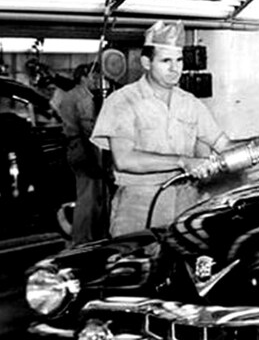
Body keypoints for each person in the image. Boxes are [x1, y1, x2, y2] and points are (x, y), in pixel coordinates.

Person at [91, 20, 232, 236]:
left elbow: (223, 144)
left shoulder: (190, 102)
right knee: (138, 255)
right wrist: (182, 161)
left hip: (186, 200)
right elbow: (124, 159)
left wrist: (258, 144)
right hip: (140, 203)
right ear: (146, 62)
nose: (175, 68)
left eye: (179, 60)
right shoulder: (122, 101)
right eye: (166, 61)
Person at [57, 62, 108, 244]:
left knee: (85, 194)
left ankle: (84, 237)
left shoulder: (68, 95)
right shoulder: (83, 97)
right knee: (89, 198)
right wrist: (96, 157)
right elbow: (88, 130)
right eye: (93, 76)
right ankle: (82, 239)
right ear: (83, 77)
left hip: (73, 146)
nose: (95, 80)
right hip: (84, 148)